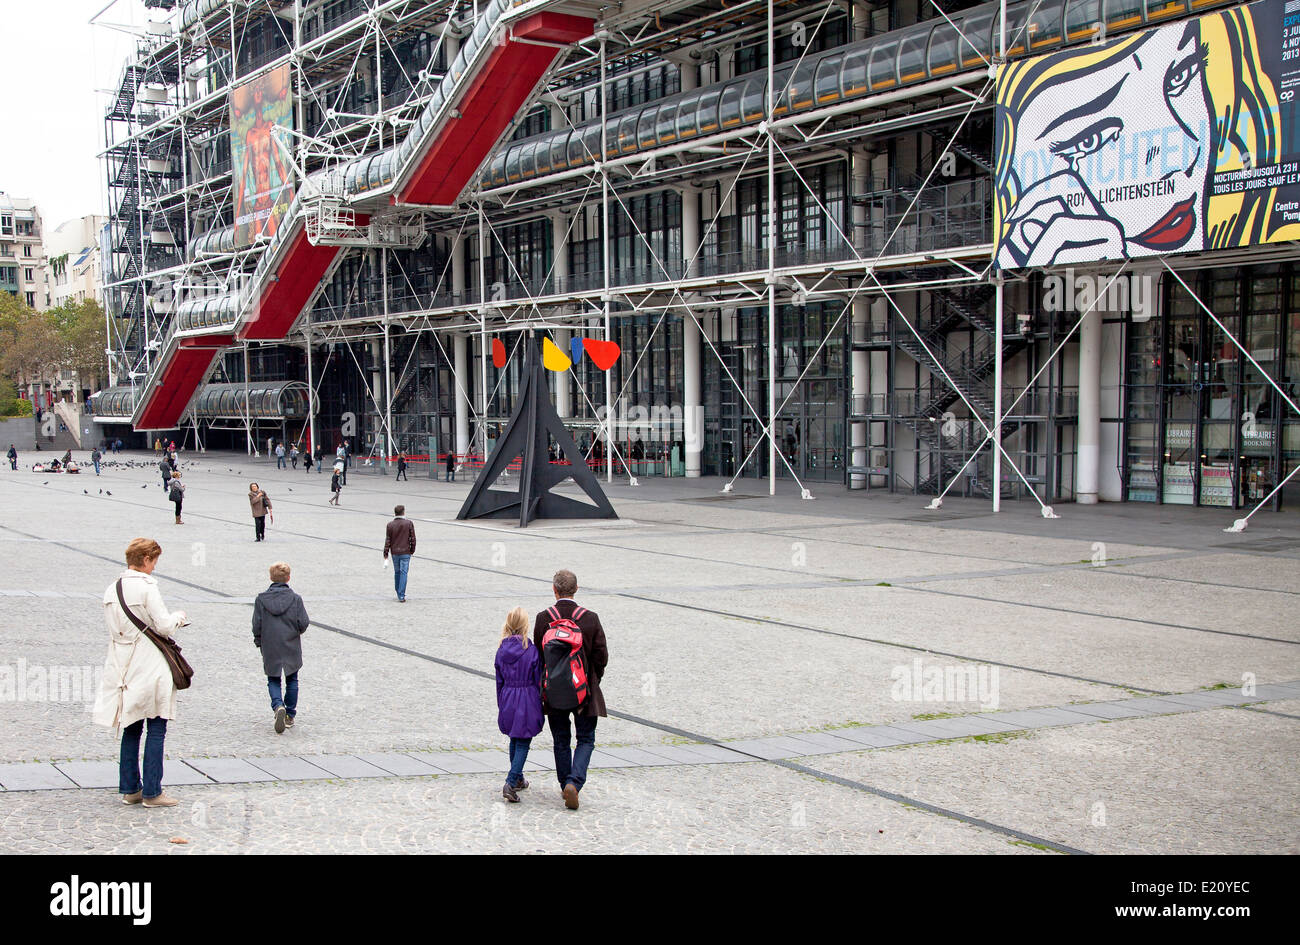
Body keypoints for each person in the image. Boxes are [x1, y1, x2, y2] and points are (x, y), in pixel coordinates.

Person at [93, 537, 189, 808]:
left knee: (131, 726)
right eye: (154, 560)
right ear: (146, 560)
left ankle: (130, 788)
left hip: (123, 664)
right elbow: (163, 626)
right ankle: (153, 792)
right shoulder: (147, 588)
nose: (155, 566)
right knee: (157, 727)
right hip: (150, 664)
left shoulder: (112, 588)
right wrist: (179, 617)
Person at [533, 569, 608, 810]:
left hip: (554, 689)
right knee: (585, 738)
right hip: (584, 689)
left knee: (561, 739)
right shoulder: (590, 618)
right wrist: (590, 680)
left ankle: (565, 780)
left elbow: (538, 655)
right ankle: (574, 783)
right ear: (576, 589)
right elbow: (601, 656)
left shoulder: (544, 618)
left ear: (554, 590)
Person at [252, 561, 310, 734]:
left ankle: (278, 705)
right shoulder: (295, 599)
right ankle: (289, 714)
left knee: (273, 678)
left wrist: (258, 640)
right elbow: (304, 622)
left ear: (271, 577)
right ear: (288, 578)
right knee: (292, 678)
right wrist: (296, 632)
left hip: (270, 644)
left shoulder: (261, 599)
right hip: (290, 643)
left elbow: (257, 623)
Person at [496, 607, 542, 803]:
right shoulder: (530, 650)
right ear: (525, 626)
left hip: (508, 696)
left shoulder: (501, 650)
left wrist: (502, 702)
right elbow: (538, 678)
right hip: (527, 696)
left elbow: (499, 680)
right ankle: (511, 780)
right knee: (523, 741)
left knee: (515, 738)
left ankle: (519, 778)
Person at [383, 505, 416, 602]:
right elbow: (412, 538)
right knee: (404, 572)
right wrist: (412, 550)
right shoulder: (409, 523)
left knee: (397, 572)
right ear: (403, 512)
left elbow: (388, 540)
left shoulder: (390, 525)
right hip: (406, 551)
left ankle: (398, 591)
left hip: (395, 552)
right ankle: (401, 595)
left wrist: (385, 553)